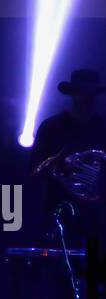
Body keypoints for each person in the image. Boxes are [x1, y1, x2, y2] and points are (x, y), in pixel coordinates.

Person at [31, 68, 106, 242]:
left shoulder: (103, 127)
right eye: (82, 92)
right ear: (73, 94)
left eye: (90, 93)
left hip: (98, 216)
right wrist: (62, 168)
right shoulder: (52, 127)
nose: (86, 98)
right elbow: (36, 170)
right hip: (59, 213)